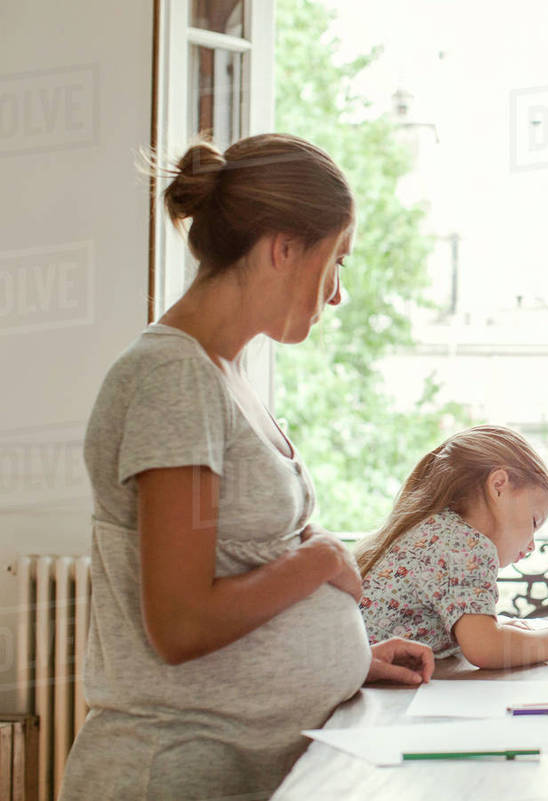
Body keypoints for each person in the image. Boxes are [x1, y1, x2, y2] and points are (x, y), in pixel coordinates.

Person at [61, 134, 435, 801]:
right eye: (336, 261)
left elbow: (236, 566)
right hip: (175, 770)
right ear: (283, 247)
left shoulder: (219, 372)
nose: (339, 294)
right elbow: (180, 622)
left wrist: (350, 664)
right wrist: (319, 563)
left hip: (238, 766)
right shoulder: (173, 380)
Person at [356, 425, 548, 668]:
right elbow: (486, 648)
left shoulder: (435, 530)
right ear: (499, 485)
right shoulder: (465, 544)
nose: (532, 545)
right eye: (534, 522)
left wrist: (490, 626)